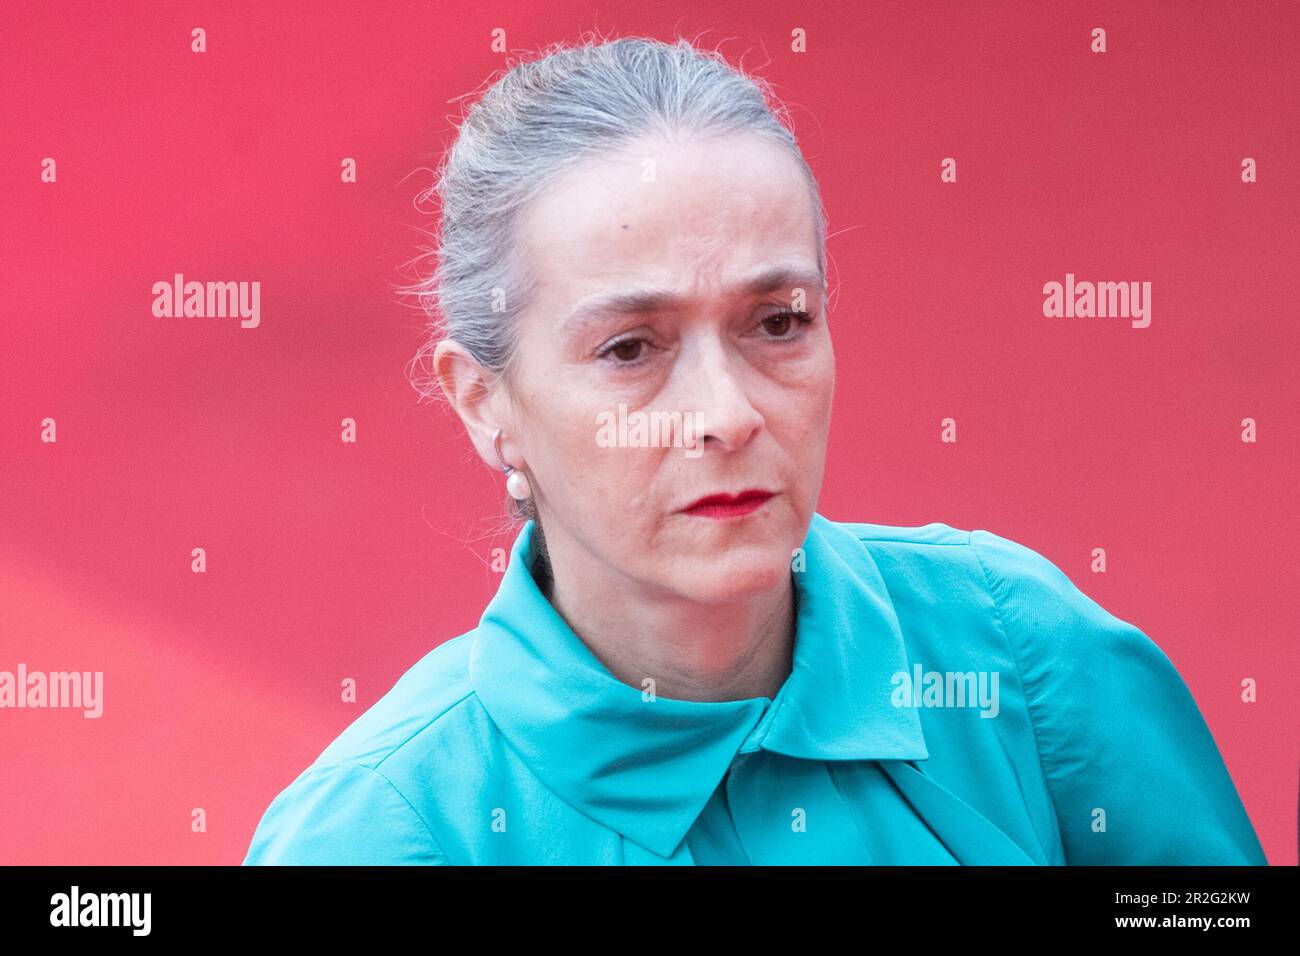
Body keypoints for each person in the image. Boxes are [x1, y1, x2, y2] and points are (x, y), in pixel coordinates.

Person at [242, 34, 1267, 866]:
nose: (725, 412)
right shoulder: (381, 833)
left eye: (776, 322)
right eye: (629, 346)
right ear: (484, 403)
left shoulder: (1024, 657)